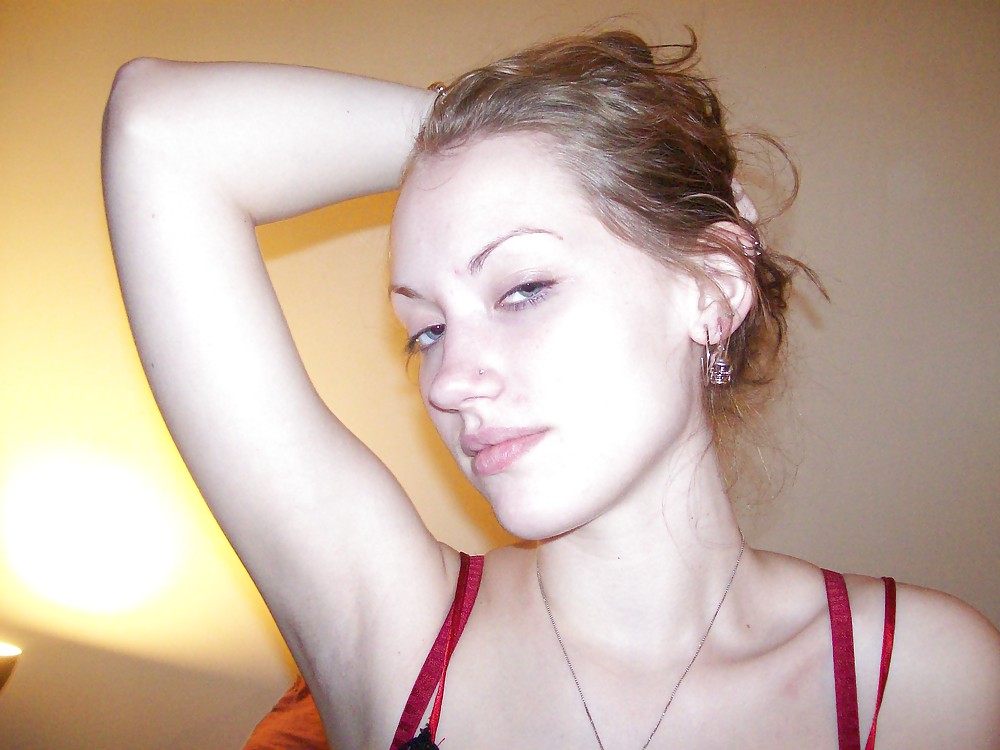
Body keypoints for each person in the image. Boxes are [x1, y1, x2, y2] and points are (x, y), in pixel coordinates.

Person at [102, 31, 999, 750]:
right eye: (427, 330)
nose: (451, 381)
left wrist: (553, 134)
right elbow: (156, 130)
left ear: (712, 286)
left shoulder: (917, 681)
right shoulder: (397, 634)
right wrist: (492, 131)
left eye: (524, 289)